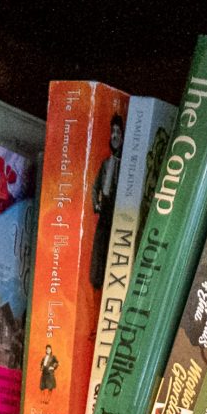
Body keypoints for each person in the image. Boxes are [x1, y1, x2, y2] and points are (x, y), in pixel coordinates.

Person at [90, 111, 124, 288]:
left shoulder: (125, 164)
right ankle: (97, 280)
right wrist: (96, 203)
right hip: (105, 207)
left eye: (118, 132)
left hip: (118, 209)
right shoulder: (105, 164)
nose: (115, 136)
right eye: (113, 132)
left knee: (114, 244)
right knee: (100, 244)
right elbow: (95, 186)